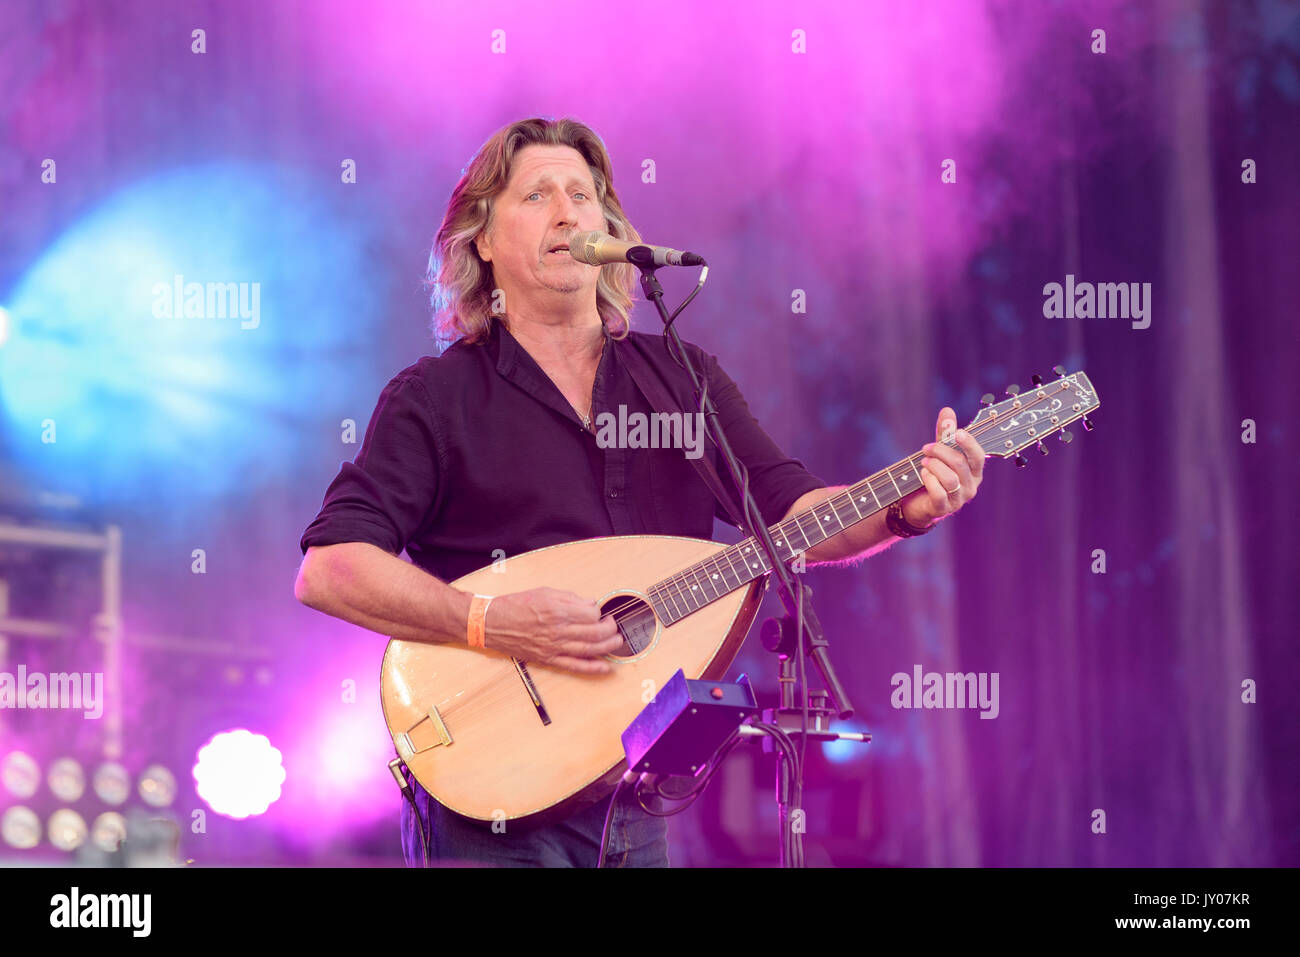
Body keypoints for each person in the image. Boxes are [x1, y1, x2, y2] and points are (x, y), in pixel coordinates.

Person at [293, 116, 986, 867]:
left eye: (584, 196)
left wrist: (909, 506)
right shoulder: (436, 398)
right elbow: (331, 568)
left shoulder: (683, 379)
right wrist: (492, 621)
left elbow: (793, 515)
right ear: (482, 240)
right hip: (485, 794)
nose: (568, 212)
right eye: (536, 195)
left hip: (634, 794)